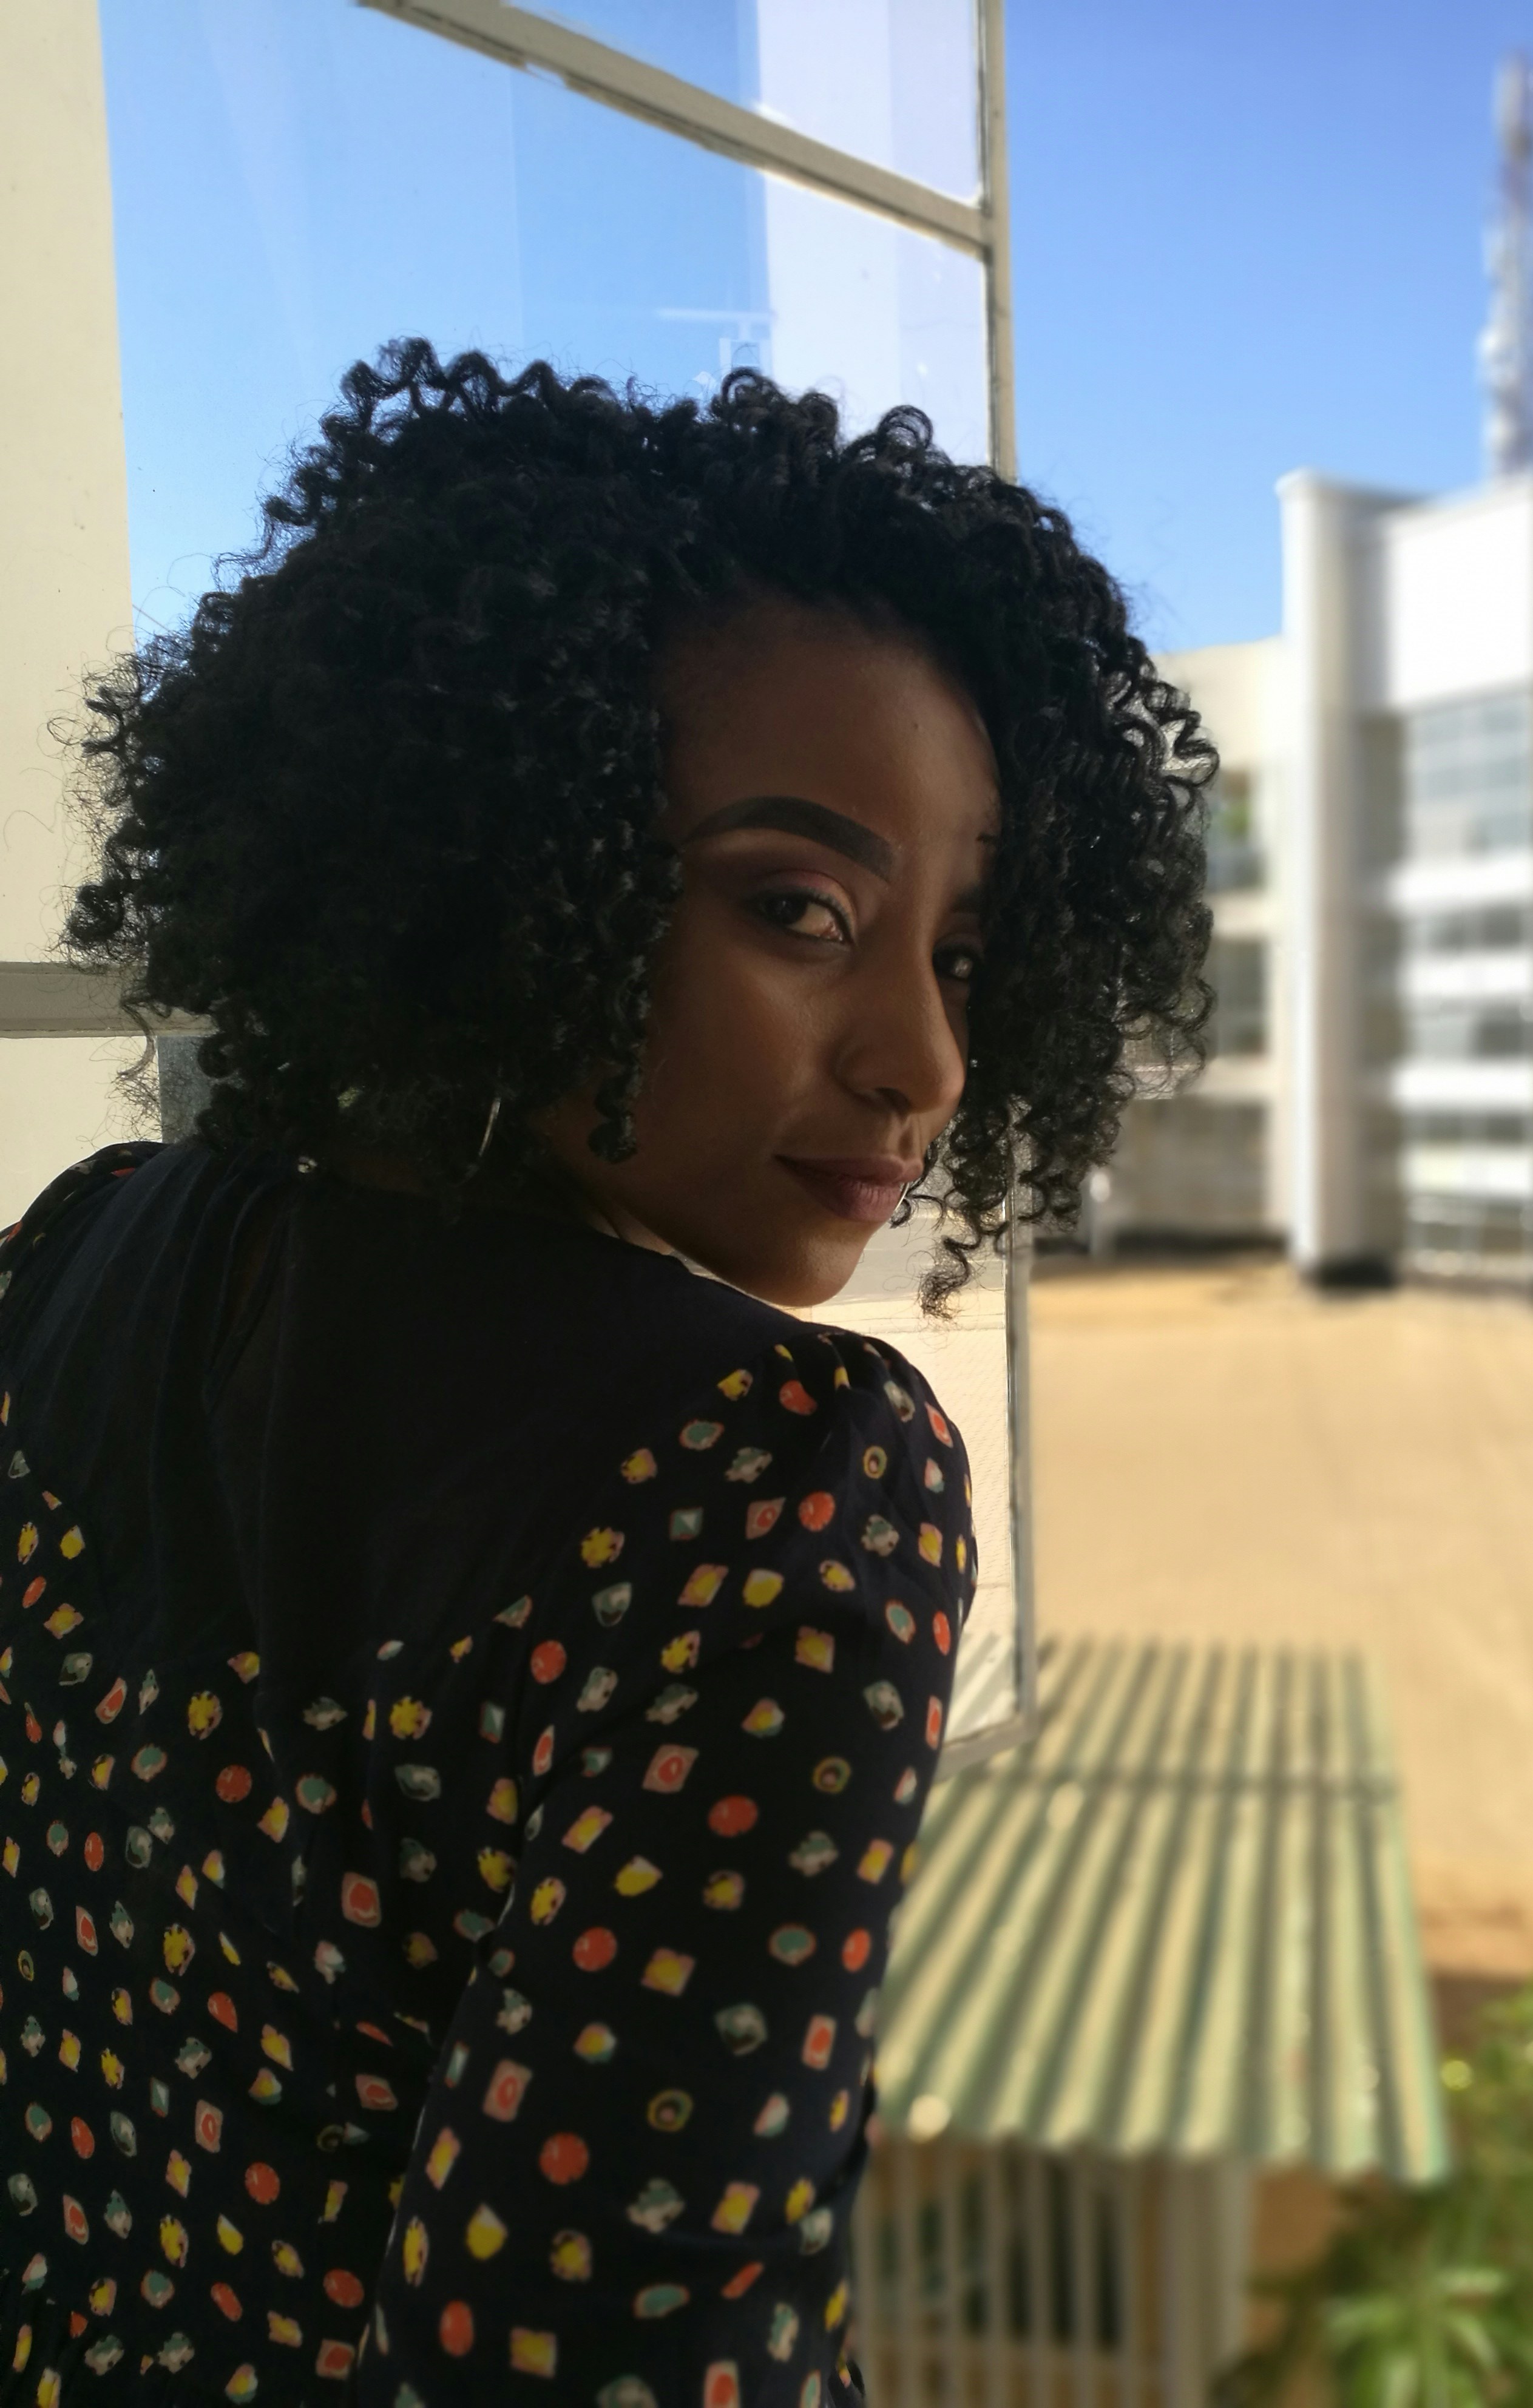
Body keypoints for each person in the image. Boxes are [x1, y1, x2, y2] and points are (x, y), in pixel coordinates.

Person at [0, 343, 1214, 2404]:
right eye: (803, 908)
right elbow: (608, 2354)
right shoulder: (782, 1476)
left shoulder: (83, 1249)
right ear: (499, 862)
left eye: (964, 956)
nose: (924, 1062)